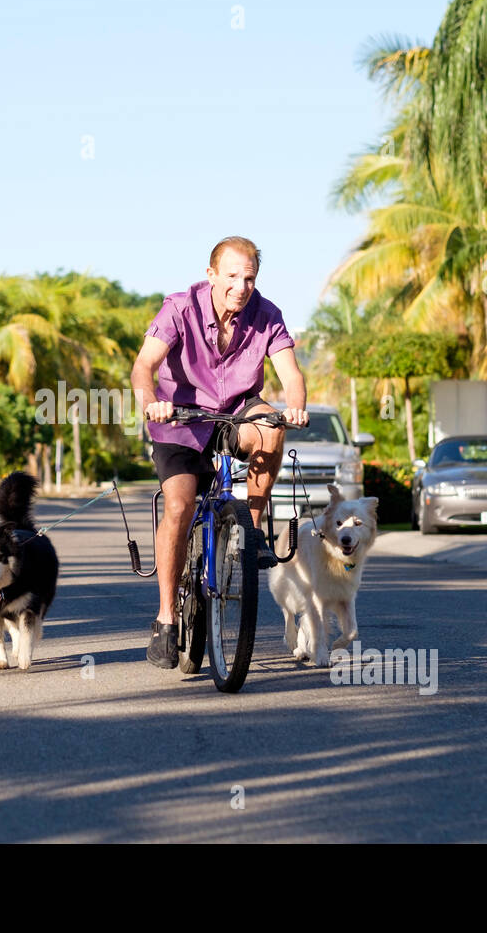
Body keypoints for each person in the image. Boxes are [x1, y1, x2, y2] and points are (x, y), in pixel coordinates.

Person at [130, 236, 308, 668]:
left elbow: (290, 372)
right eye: (232, 276)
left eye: (249, 277)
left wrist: (296, 405)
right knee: (180, 504)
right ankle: (167, 617)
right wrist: (150, 400)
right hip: (180, 417)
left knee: (269, 427)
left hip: (235, 412)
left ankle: (252, 531)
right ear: (211, 274)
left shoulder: (267, 315)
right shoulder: (179, 307)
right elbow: (143, 367)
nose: (241, 286)